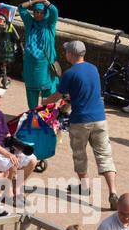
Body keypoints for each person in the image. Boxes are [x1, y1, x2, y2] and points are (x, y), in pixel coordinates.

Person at [49, 39, 118, 208]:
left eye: (67, 51)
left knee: (80, 154)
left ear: (71, 54)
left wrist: (44, 101)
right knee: (104, 155)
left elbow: (57, 96)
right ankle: (113, 192)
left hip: (80, 121)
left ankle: (85, 187)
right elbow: (86, 92)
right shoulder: (93, 69)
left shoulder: (69, 73)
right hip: (100, 118)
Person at [17, 0, 59, 110]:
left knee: (48, 93)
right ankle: (33, 115)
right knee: (31, 93)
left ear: (46, 13)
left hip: (46, 66)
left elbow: (54, 11)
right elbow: (21, 8)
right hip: (30, 65)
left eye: (42, 12)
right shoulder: (30, 23)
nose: (39, 15)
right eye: (36, 12)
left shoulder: (50, 25)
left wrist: (46, 3)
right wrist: (36, 1)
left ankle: (48, 116)